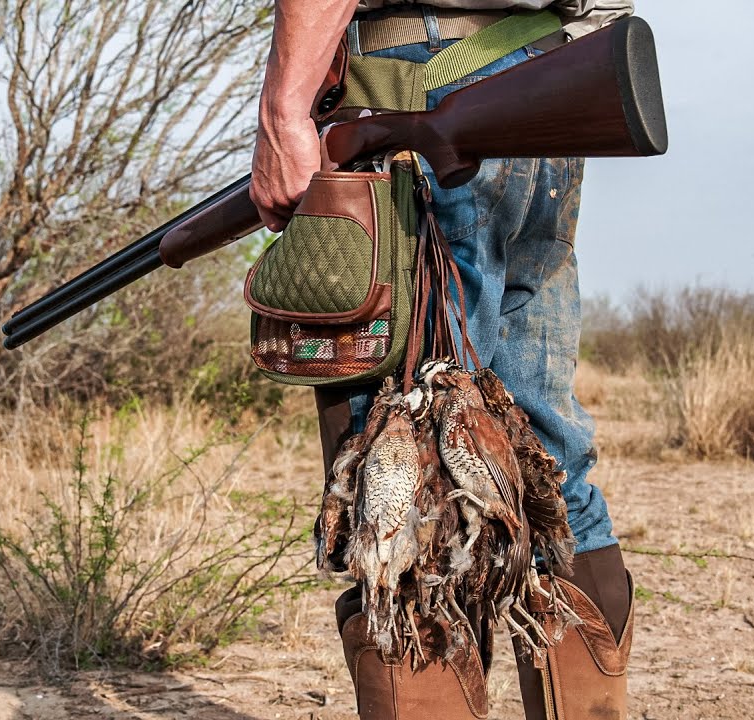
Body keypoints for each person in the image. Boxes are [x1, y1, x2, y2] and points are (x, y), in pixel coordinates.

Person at [249, 2, 636, 719]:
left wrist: (284, 113)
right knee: (548, 458)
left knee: (402, 476)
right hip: (537, 86)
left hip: (422, 81)